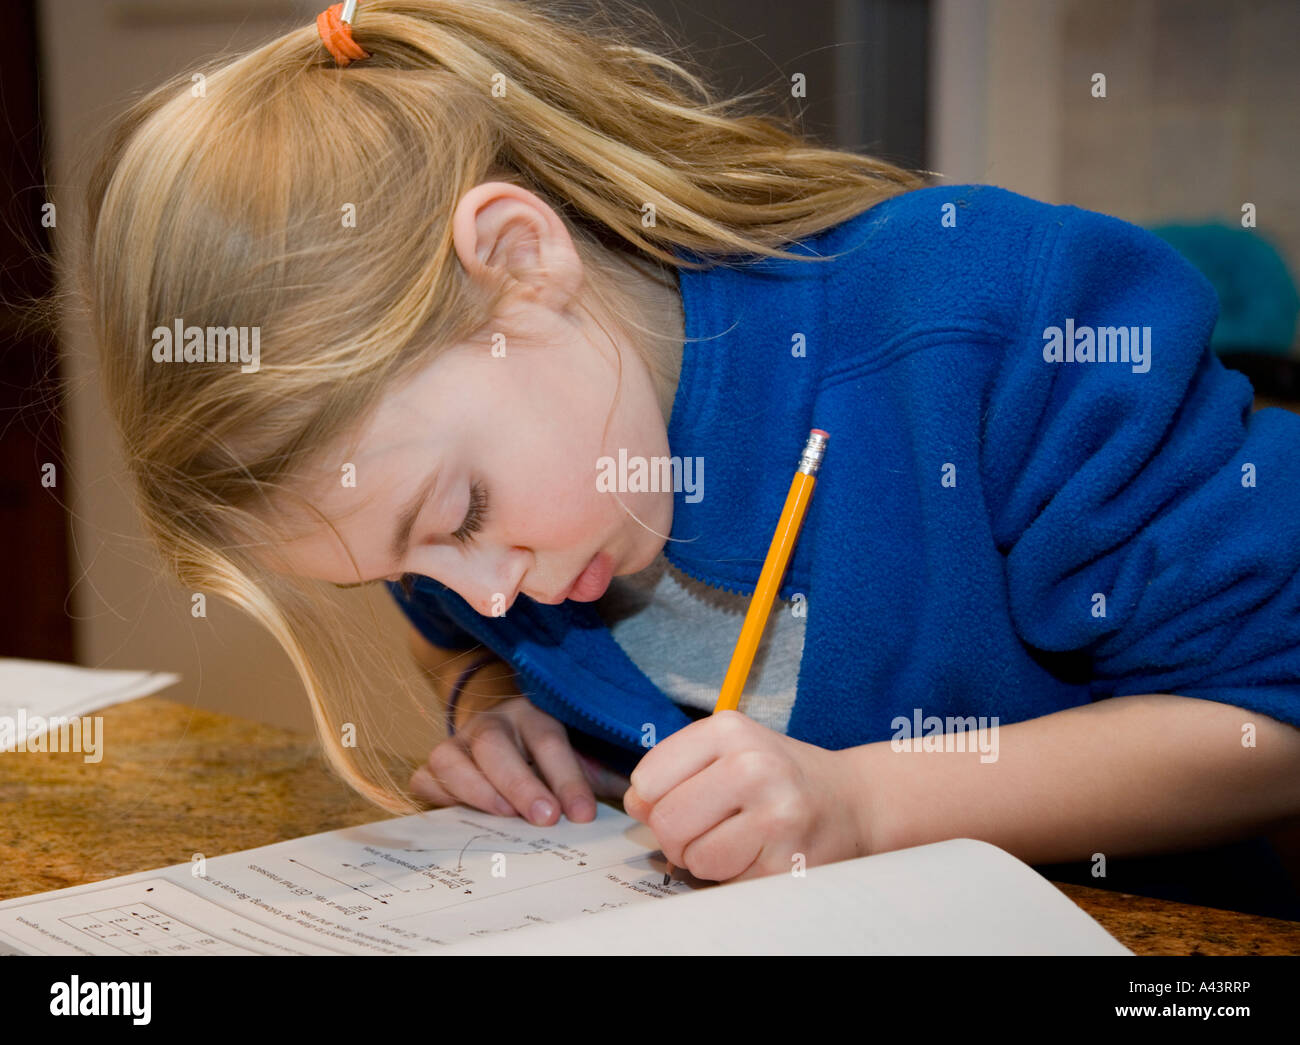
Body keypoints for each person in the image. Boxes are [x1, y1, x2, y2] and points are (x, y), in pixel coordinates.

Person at [78, 0, 1300, 901]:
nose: (486, 590)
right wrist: (492, 698)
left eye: (457, 516)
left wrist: (869, 805)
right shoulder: (493, 515)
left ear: (520, 264)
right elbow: (452, 619)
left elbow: (1265, 719)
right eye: (408, 564)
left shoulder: (992, 323)